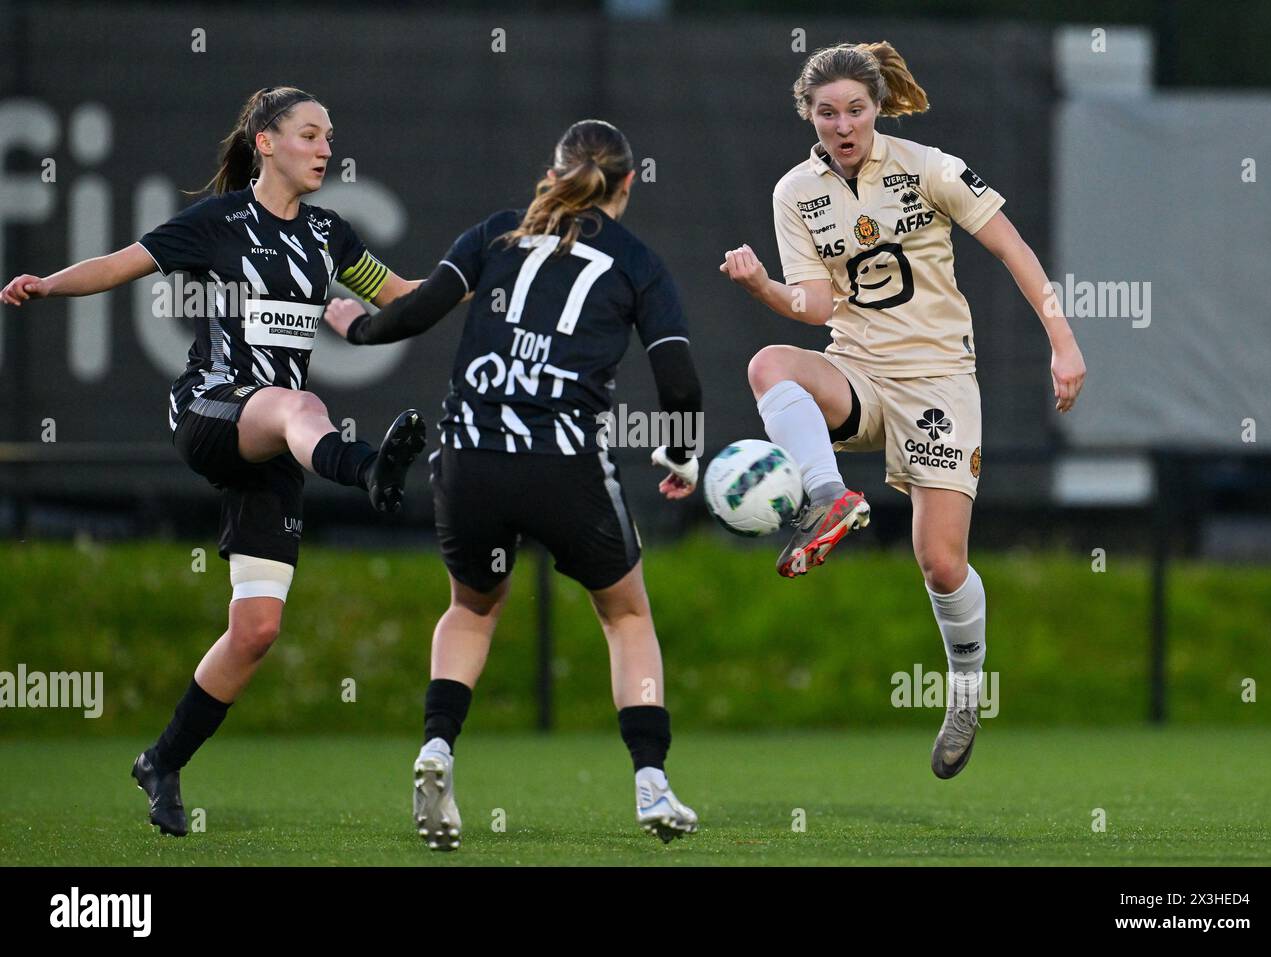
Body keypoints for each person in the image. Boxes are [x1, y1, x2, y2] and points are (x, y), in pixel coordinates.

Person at [1, 86, 428, 835]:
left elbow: (399, 299)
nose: (326, 147)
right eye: (309, 133)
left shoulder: (329, 235)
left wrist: (493, 276)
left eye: (330, 135)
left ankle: (161, 761)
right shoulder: (220, 220)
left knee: (258, 629)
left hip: (274, 448)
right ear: (266, 142)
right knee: (300, 405)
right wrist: (45, 284)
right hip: (212, 410)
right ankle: (370, 469)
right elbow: (119, 264)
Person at [323, 119, 703, 850]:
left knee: (471, 608)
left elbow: (419, 309)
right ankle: (651, 778)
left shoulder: (497, 233)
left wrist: (355, 328)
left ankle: (437, 748)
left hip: (469, 456)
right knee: (626, 617)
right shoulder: (637, 263)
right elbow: (679, 380)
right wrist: (681, 454)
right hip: (563, 463)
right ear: (626, 185)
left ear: (552, 173)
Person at [720, 43, 1086, 779]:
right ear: (811, 117)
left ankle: (964, 691)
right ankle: (827, 499)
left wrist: (1064, 341)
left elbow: (1014, 249)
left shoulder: (930, 169)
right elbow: (816, 303)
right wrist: (763, 288)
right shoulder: (796, 192)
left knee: (941, 561)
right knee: (768, 366)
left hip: (938, 382)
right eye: (828, 113)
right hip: (857, 370)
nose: (843, 124)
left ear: (877, 107)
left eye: (856, 109)